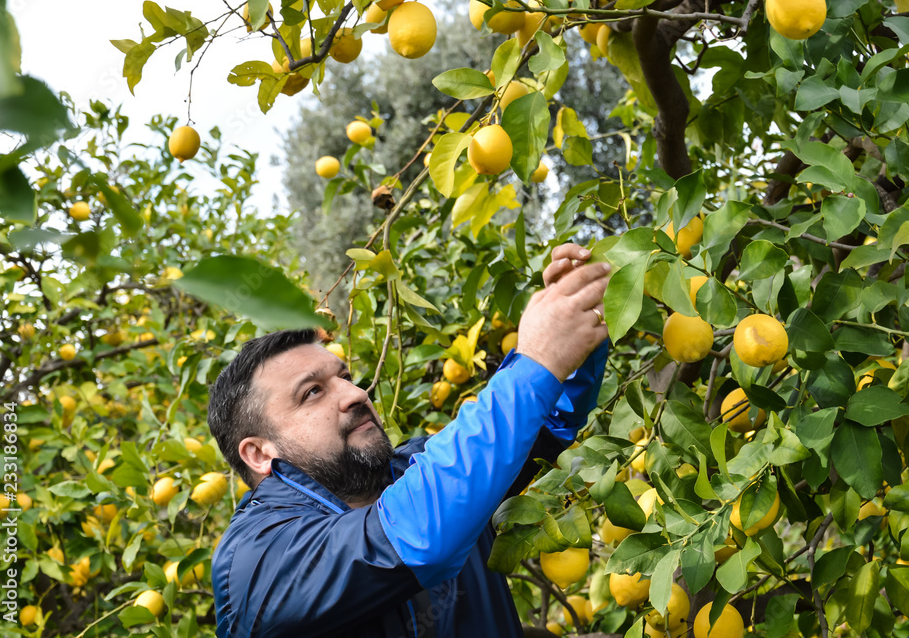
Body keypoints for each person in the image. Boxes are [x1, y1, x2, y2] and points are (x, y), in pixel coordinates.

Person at [207, 243, 610, 638]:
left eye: (344, 378)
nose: (356, 394)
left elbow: (543, 425)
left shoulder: (420, 469)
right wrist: (535, 362)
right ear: (259, 453)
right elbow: (414, 535)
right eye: (312, 392)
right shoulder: (255, 560)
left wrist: (573, 323)